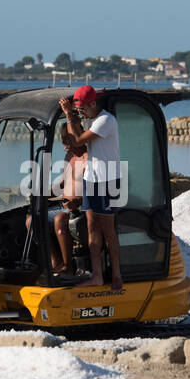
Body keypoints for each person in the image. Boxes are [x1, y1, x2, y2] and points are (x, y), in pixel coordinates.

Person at [59, 85, 123, 291]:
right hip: (92, 178)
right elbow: (75, 143)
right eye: (78, 109)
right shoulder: (89, 119)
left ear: (94, 103)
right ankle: (96, 276)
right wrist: (73, 118)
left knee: (108, 230)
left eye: (83, 108)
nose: (81, 112)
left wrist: (70, 116)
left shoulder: (106, 120)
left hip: (108, 180)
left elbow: (77, 139)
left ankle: (116, 274)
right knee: (92, 227)